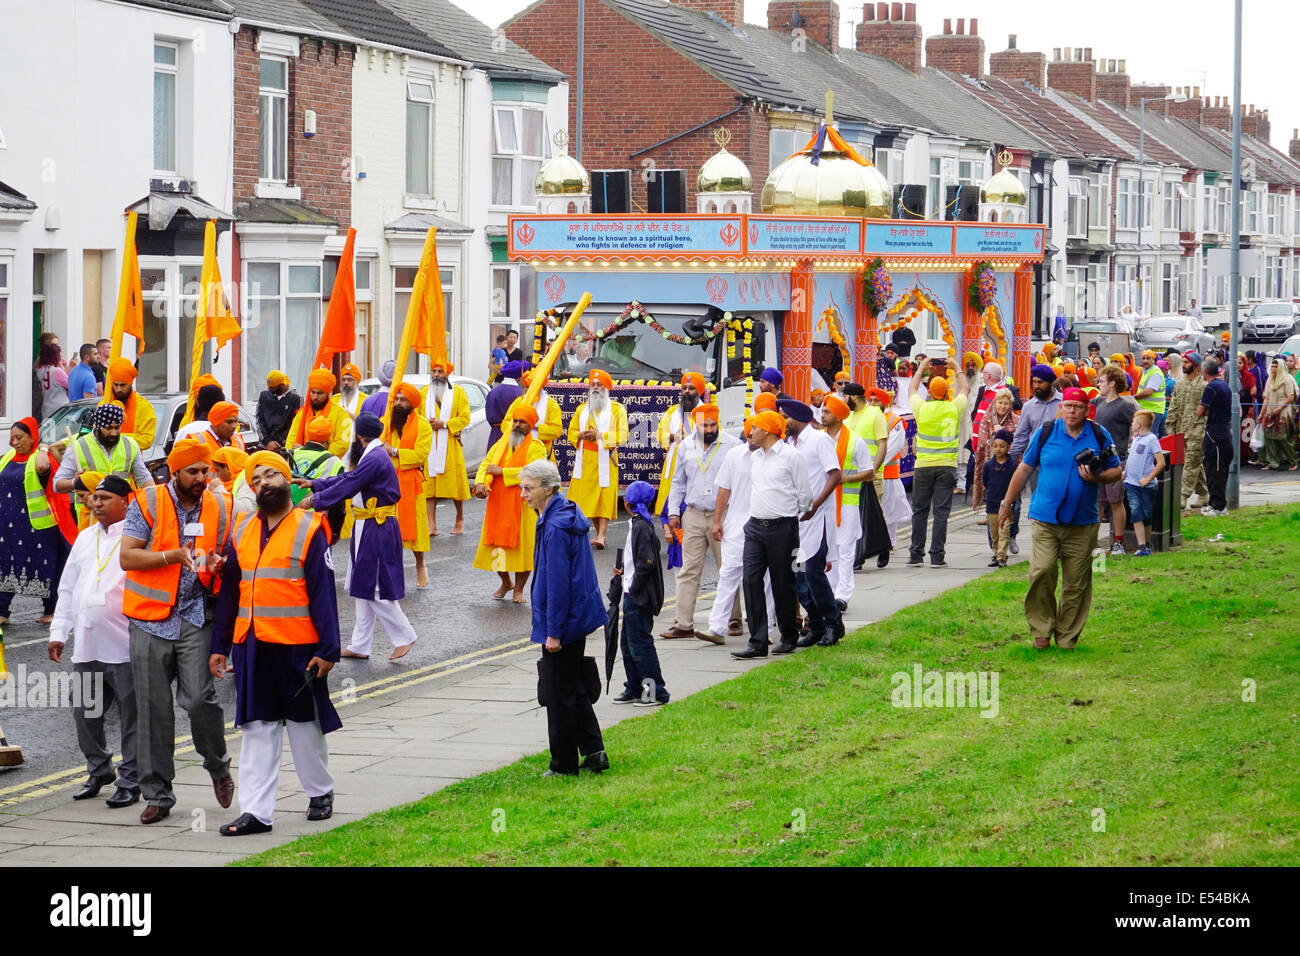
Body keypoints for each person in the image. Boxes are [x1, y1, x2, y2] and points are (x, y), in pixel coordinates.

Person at [209, 452, 340, 835]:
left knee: (304, 726)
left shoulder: (311, 526)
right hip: (252, 645)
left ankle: (320, 791)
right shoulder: (243, 530)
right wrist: (221, 644)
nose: (264, 483)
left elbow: (323, 591)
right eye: (257, 479)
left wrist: (328, 649)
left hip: (298, 645)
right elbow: (231, 592)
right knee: (257, 728)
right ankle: (257, 813)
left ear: (288, 481)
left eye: (271, 475)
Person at [118, 438, 233, 824]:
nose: (203, 478)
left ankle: (218, 765)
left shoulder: (222, 504)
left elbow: (229, 555)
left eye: (207, 470)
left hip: (195, 614)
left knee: (200, 699)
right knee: (153, 710)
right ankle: (157, 794)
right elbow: (128, 556)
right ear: (174, 472)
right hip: (149, 619)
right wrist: (172, 555)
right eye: (194, 472)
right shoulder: (147, 501)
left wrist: (219, 565)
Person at [998, 387, 1122, 650]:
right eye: (1067, 406)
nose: (1072, 411)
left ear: (1087, 410)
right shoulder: (1046, 433)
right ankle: (1041, 629)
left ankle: (1067, 637)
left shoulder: (1098, 434)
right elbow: (1024, 468)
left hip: (1083, 522)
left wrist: (1096, 477)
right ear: (1061, 407)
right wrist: (1006, 503)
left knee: (1076, 582)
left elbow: (1117, 471)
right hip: (1045, 518)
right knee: (1042, 570)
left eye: (1077, 407)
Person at [48, 473, 139, 808]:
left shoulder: (136, 536)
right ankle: (99, 769)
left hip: (125, 644)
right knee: (85, 714)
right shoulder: (86, 538)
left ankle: (131, 779)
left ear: (125, 502)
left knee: (133, 718)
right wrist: (59, 632)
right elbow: (68, 588)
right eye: (94, 498)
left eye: (104, 499)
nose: (96, 504)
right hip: (87, 643)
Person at [301, 413, 417, 662]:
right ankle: (360, 645)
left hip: (377, 526)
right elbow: (348, 478)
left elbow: (350, 484)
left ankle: (404, 635)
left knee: (372, 586)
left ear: (359, 436)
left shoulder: (374, 457)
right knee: (360, 585)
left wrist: (315, 500)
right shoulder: (373, 454)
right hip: (367, 525)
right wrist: (314, 484)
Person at [520, 459, 609, 777]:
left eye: (528, 488)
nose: (523, 494)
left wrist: (553, 632)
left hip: (563, 621)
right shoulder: (562, 512)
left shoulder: (555, 527)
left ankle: (563, 765)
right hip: (577, 616)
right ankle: (595, 752)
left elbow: (557, 584)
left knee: (558, 693)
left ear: (547, 488)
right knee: (572, 685)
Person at [731, 411, 812, 659]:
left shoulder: (791, 457)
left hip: (782, 528)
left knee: (783, 582)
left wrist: (788, 513)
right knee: (751, 581)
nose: (750, 431)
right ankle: (757, 641)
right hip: (755, 527)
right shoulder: (755, 457)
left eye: (754, 427)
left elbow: (805, 495)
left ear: (767, 430)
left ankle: (788, 635)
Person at [660, 402, 741, 642]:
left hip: (722, 515)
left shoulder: (733, 446)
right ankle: (684, 623)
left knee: (728, 568)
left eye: (712, 424)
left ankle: (734, 620)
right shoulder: (685, 446)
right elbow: (677, 482)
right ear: (696, 424)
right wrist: (674, 512)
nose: (708, 429)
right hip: (693, 514)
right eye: (704, 425)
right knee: (689, 570)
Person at [778, 399, 843, 649]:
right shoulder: (789, 444)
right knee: (799, 578)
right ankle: (815, 626)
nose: (784, 422)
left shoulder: (818, 440)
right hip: (796, 522)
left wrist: (815, 504)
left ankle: (834, 625)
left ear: (798, 418)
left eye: (786, 418)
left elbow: (835, 474)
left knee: (814, 575)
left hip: (817, 520)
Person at [706, 415, 776, 644]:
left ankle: (766, 629)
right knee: (728, 574)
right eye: (748, 431)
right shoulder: (735, 456)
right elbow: (723, 490)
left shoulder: (776, 457)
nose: (750, 435)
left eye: (754, 430)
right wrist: (717, 521)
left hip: (765, 526)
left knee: (765, 580)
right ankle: (716, 628)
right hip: (736, 527)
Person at [472, 403, 547, 603]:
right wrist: (480, 483)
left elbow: (535, 472)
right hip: (498, 503)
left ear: (530, 425)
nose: (517, 425)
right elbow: (487, 465)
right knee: (497, 548)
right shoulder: (501, 444)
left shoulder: (536, 447)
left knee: (524, 550)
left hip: (524, 505)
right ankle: (506, 582)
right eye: (515, 421)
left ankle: (519, 589)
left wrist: (502, 473)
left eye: (522, 422)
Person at [907, 357, 969, 568]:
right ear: (946, 393)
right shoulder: (953, 408)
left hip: (923, 465)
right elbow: (966, 390)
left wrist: (922, 368)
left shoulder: (921, 408)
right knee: (941, 512)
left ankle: (916, 555)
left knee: (919, 511)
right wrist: (957, 368)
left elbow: (912, 390)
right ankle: (937, 556)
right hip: (947, 466)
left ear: (931, 392)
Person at [0, 418, 62, 625]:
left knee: (44, 566)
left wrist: (42, 448)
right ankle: (2, 611)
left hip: (36, 526)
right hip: (7, 527)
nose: (15, 442)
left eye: (20, 438)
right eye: (12, 438)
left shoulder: (39, 459)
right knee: (5, 565)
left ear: (32, 437)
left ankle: (50, 610)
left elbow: (44, 468)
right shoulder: (8, 458)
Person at [613, 481, 668, 706]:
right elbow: (639, 560)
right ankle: (634, 686)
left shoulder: (641, 527)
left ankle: (655, 692)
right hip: (633, 592)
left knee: (640, 645)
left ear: (627, 504)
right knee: (627, 643)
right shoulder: (638, 524)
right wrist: (625, 571)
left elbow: (646, 563)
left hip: (638, 596)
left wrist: (633, 588)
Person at [821, 394, 880, 606]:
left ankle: (842, 595)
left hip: (847, 503)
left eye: (827, 411)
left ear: (838, 416)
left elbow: (869, 472)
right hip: (824, 503)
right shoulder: (819, 438)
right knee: (828, 550)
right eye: (823, 410)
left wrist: (847, 478)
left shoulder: (855, 442)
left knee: (844, 549)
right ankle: (830, 591)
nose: (823, 414)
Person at [567, 369, 628, 548]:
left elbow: (623, 435)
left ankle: (601, 535)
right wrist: (580, 435)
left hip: (605, 461)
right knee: (587, 499)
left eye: (598, 384)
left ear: (606, 388)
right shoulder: (581, 409)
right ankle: (597, 533)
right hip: (585, 461)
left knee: (604, 498)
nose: (595, 387)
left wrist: (599, 435)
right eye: (592, 384)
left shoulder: (617, 410)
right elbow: (570, 432)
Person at [385, 382, 433, 587]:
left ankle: (420, 566)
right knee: (388, 527)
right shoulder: (386, 423)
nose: (398, 403)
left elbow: (419, 456)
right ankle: (389, 570)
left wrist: (394, 452)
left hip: (411, 483)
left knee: (417, 529)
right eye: (396, 399)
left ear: (412, 403)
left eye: (403, 400)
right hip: (387, 482)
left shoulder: (423, 425)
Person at [1090, 366, 1139, 554]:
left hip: (1117, 460)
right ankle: (1093, 541)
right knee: (1098, 502)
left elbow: (1138, 425)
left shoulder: (1125, 405)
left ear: (1112, 383)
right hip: (1098, 461)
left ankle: (1118, 542)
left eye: (1101, 381)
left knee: (1116, 501)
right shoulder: (1099, 402)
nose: (1098, 384)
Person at [54, 401, 154, 493]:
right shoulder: (78, 446)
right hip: (89, 511)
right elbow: (57, 485)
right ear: (98, 427)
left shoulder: (131, 445)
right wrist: (75, 482)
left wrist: (155, 496)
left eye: (117, 427)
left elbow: (144, 478)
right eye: (108, 428)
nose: (114, 433)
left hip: (122, 509)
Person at [422, 361, 471, 537]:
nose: (436, 374)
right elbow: (418, 418)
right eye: (433, 371)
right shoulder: (423, 393)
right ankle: (432, 525)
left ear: (447, 374)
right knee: (430, 486)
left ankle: (459, 519)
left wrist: (444, 424)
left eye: (439, 371)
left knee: (455, 485)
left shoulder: (458, 392)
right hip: (429, 446)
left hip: (450, 443)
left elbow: (465, 418)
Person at [654, 372, 705, 516]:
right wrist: (673, 436)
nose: (687, 391)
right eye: (684, 388)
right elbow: (659, 434)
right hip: (674, 460)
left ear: (698, 392)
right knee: (671, 507)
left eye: (691, 388)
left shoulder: (705, 412)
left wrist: (690, 438)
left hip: (696, 460)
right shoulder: (673, 411)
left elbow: (712, 436)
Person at [290, 418, 346, 537]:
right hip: (317, 524)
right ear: (329, 438)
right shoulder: (335, 462)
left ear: (308, 435)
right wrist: (335, 531)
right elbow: (337, 500)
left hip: (289, 518)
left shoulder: (290, 454)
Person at [1167, 351, 1208, 510]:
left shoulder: (1204, 386)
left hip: (1197, 432)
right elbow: (1174, 408)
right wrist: (1170, 427)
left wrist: (1206, 432)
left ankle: (1182, 496)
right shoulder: (1179, 385)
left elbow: (1208, 412)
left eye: (1187, 362)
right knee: (1193, 464)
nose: (1183, 365)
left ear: (1196, 366)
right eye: (1182, 362)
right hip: (1180, 431)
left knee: (1191, 464)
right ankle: (1204, 493)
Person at [972, 389, 1018, 531]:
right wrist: (998, 434)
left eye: (1006, 403)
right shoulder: (986, 419)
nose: (1002, 406)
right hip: (991, 468)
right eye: (1000, 403)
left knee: (1015, 504)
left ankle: (1012, 533)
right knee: (991, 506)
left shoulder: (1016, 420)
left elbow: (1018, 443)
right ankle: (995, 543)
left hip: (1010, 469)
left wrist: (1002, 431)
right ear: (994, 403)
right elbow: (983, 442)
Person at [1123, 411, 1166, 556]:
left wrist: (1148, 479)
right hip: (1131, 483)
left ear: (1139, 424)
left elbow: (1161, 463)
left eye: (1133, 423)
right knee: (1136, 513)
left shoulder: (1152, 439)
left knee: (1146, 515)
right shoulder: (1136, 438)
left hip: (1146, 485)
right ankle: (1141, 546)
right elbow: (1133, 459)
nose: (1131, 425)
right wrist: (1126, 473)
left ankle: (1146, 544)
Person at [1197, 357, 1233, 517]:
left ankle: (1218, 507)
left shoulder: (1211, 387)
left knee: (1214, 470)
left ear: (1205, 371)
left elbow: (1200, 411)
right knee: (1221, 470)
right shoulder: (1225, 386)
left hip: (1215, 433)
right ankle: (1215, 504)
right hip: (1225, 431)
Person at [286, 369, 349, 460]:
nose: (315, 397)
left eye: (320, 393)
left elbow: (342, 445)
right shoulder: (302, 413)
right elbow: (291, 439)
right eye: (313, 392)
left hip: (328, 465)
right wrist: (294, 454)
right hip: (301, 465)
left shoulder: (341, 414)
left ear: (328, 393)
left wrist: (312, 455)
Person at [1009, 364, 1061, 470]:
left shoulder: (1064, 403)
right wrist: (1009, 461)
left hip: (1059, 461)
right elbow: (1021, 437)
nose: (1036, 386)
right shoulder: (1029, 406)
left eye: (1040, 382)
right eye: (1034, 381)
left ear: (1050, 382)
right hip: (1035, 463)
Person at [103, 359, 157, 451]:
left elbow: (147, 440)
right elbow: (94, 435)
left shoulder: (144, 406)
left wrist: (115, 438)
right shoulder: (104, 404)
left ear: (130, 384)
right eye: (115, 385)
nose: (119, 389)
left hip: (132, 463)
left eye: (123, 385)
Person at [982, 429, 1017, 567]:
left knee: (1004, 531)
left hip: (1006, 504)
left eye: (1002, 446)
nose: (998, 449)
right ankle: (996, 554)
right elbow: (984, 481)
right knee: (995, 534)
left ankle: (1002, 557)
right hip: (991, 503)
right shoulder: (988, 465)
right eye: (995, 446)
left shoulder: (1013, 466)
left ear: (1008, 447)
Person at [1259, 355, 1299, 471]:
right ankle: (1273, 462)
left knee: (1282, 438)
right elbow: (1266, 398)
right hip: (1271, 412)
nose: (1273, 368)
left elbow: (1290, 397)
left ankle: (1293, 461)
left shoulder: (1287, 379)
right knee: (1269, 438)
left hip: (1283, 413)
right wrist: (1262, 414)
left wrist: (1279, 409)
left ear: (1281, 367)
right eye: (1272, 365)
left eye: (1276, 366)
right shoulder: (1270, 380)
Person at [520, 370, 564, 461]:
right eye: (527, 387)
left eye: (532, 387)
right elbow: (505, 425)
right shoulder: (519, 402)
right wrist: (520, 426)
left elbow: (557, 431)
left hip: (544, 454)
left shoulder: (551, 405)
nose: (529, 390)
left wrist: (535, 427)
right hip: (519, 450)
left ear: (540, 387)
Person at [485, 360, 526, 449]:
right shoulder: (519, 393)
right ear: (518, 378)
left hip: (495, 434)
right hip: (514, 435)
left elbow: (488, 416)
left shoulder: (492, 392)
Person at [212, 445, 256, 515]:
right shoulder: (239, 478)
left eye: (217, 470)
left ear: (227, 467)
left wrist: (219, 490)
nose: (217, 475)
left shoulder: (246, 478)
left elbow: (246, 512)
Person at [1135, 350, 1168, 437]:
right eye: (1143, 358)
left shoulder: (1155, 373)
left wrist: (1134, 397)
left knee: (1150, 436)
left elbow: (1149, 391)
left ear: (1154, 360)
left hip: (1154, 410)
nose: (1145, 360)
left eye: (1148, 358)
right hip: (1147, 409)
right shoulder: (1146, 371)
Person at [35, 340, 71, 421]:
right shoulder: (56, 371)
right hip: (60, 408)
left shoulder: (39, 371)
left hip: (46, 408)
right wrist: (63, 367)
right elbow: (71, 385)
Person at [1237, 354, 1260, 466]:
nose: (1238, 365)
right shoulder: (1233, 376)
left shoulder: (1249, 375)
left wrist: (1244, 392)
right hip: (1237, 407)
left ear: (1244, 364)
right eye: (1236, 363)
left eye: (1240, 363)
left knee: (1245, 433)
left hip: (1248, 406)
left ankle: (1245, 457)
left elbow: (1254, 391)